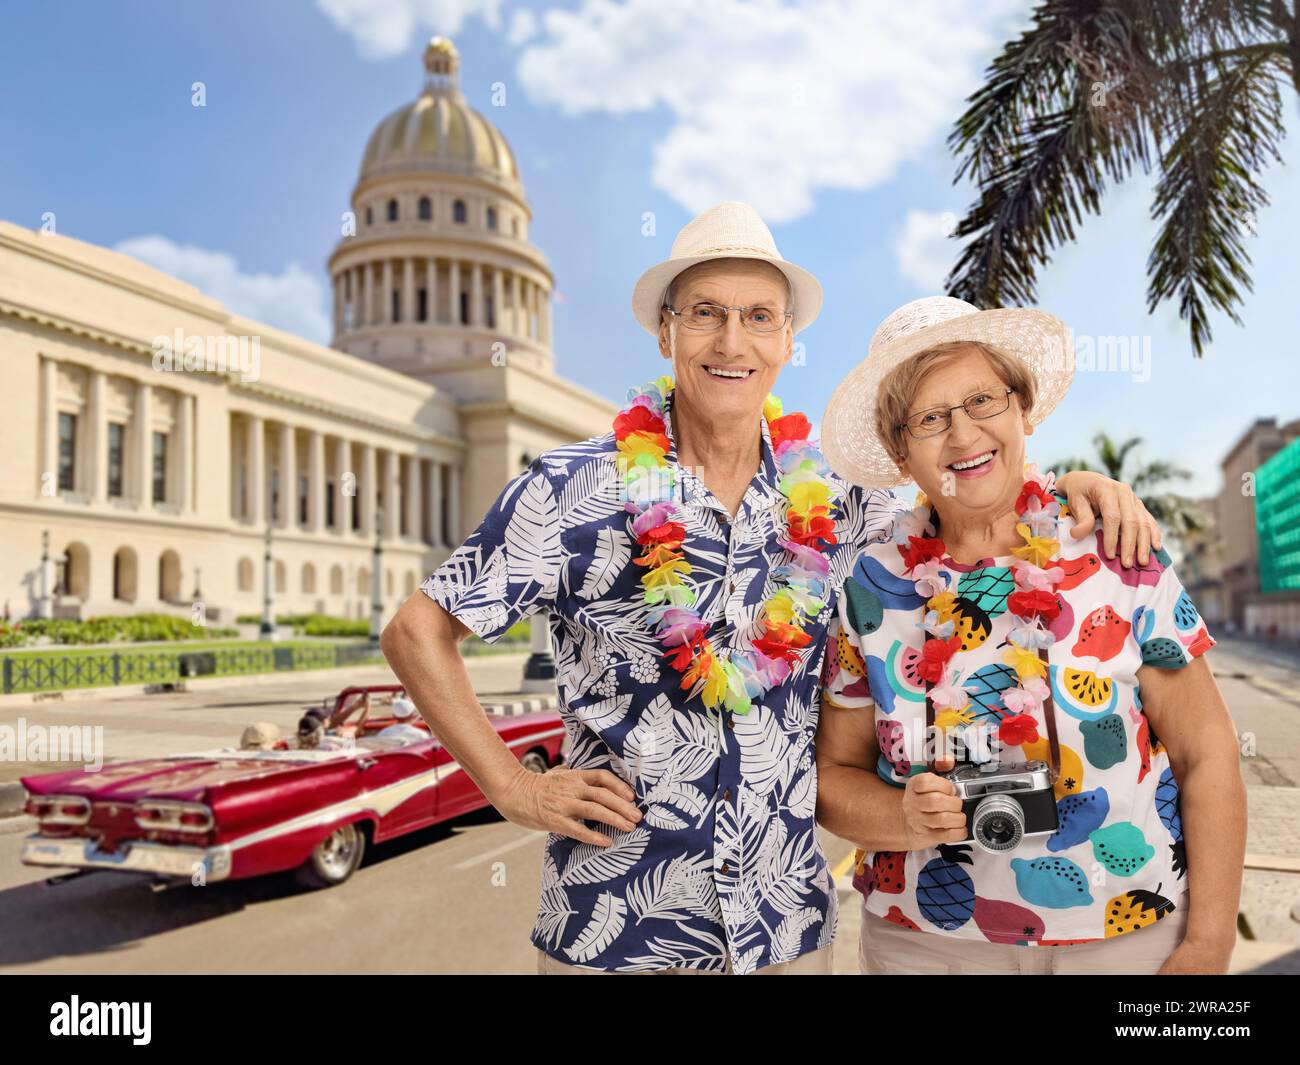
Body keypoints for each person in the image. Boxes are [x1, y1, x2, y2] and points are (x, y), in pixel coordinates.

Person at [380, 202, 1162, 975]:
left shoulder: (840, 497)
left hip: (786, 927)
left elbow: (965, 496)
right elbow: (417, 631)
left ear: (788, 340)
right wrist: (515, 786)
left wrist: (1075, 489)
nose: (732, 340)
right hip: (617, 928)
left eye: (759, 316)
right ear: (666, 332)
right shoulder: (572, 488)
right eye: (705, 314)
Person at [815, 296, 1245, 974]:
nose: (962, 436)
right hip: (926, 943)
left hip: (1127, 934)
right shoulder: (871, 587)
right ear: (902, 452)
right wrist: (904, 817)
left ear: (1022, 408)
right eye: (930, 418)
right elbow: (831, 776)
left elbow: (1210, 754)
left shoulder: (1118, 552)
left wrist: (1208, 942)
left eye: (982, 399)